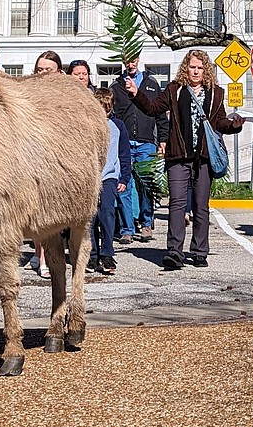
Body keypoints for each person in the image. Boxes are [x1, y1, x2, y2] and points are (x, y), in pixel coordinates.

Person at [126, 50, 244, 270]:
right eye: (192, 67)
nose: (196, 71)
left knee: (201, 206)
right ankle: (174, 251)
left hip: (204, 158)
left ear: (205, 69)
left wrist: (234, 124)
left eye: (200, 67)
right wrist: (135, 93)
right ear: (185, 69)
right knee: (177, 204)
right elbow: (153, 109)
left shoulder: (215, 93)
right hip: (178, 156)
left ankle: (200, 251)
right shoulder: (175, 90)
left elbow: (218, 123)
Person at [111, 53, 168, 241]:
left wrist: (162, 139)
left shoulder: (151, 83)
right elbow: (113, 115)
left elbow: (159, 114)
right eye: (127, 60)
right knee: (124, 186)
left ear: (139, 60)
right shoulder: (116, 86)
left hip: (146, 143)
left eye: (134, 59)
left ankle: (145, 224)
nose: (131, 64)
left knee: (146, 185)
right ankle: (127, 229)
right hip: (124, 144)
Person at [26, 50, 65, 276]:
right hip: (34, 159)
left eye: (47, 70)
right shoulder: (29, 94)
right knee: (36, 211)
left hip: (58, 161)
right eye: (39, 70)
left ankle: (54, 254)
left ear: (58, 72)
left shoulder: (65, 95)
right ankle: (41, 257)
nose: (42, 74)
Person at [87, 89, 132, 276]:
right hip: (90, 178)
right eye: (100, 107)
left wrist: (124, 178)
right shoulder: (87, 125)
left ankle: (107, 253)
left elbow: (124, 153)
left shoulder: (117, 125)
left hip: (109, 177)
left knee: (107, 212)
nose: (103, 111)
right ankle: (91, 254)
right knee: (90, 217)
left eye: (106, 107)